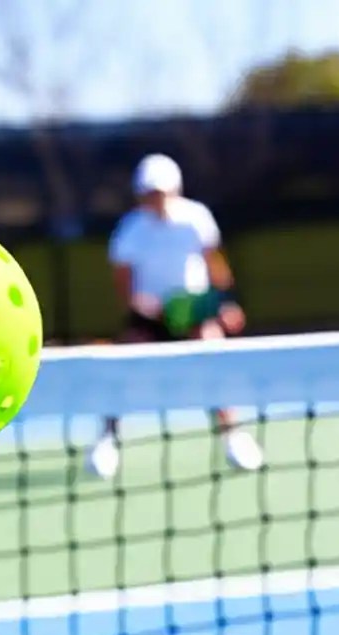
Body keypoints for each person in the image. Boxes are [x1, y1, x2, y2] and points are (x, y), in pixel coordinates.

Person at [85, 154, 265, 479]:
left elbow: (214, 263)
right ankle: (107, 439)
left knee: (213, 357)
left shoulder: (197, 218)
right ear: (141, 195)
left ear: (175, 190)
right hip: (149, 316)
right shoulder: (131, 230)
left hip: (194, 312)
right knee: (123, 367)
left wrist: (226, 303)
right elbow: (123, 281)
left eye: (162, 192)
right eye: (150, 193)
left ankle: (233, 436)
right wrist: (139, 304)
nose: (156, 200)